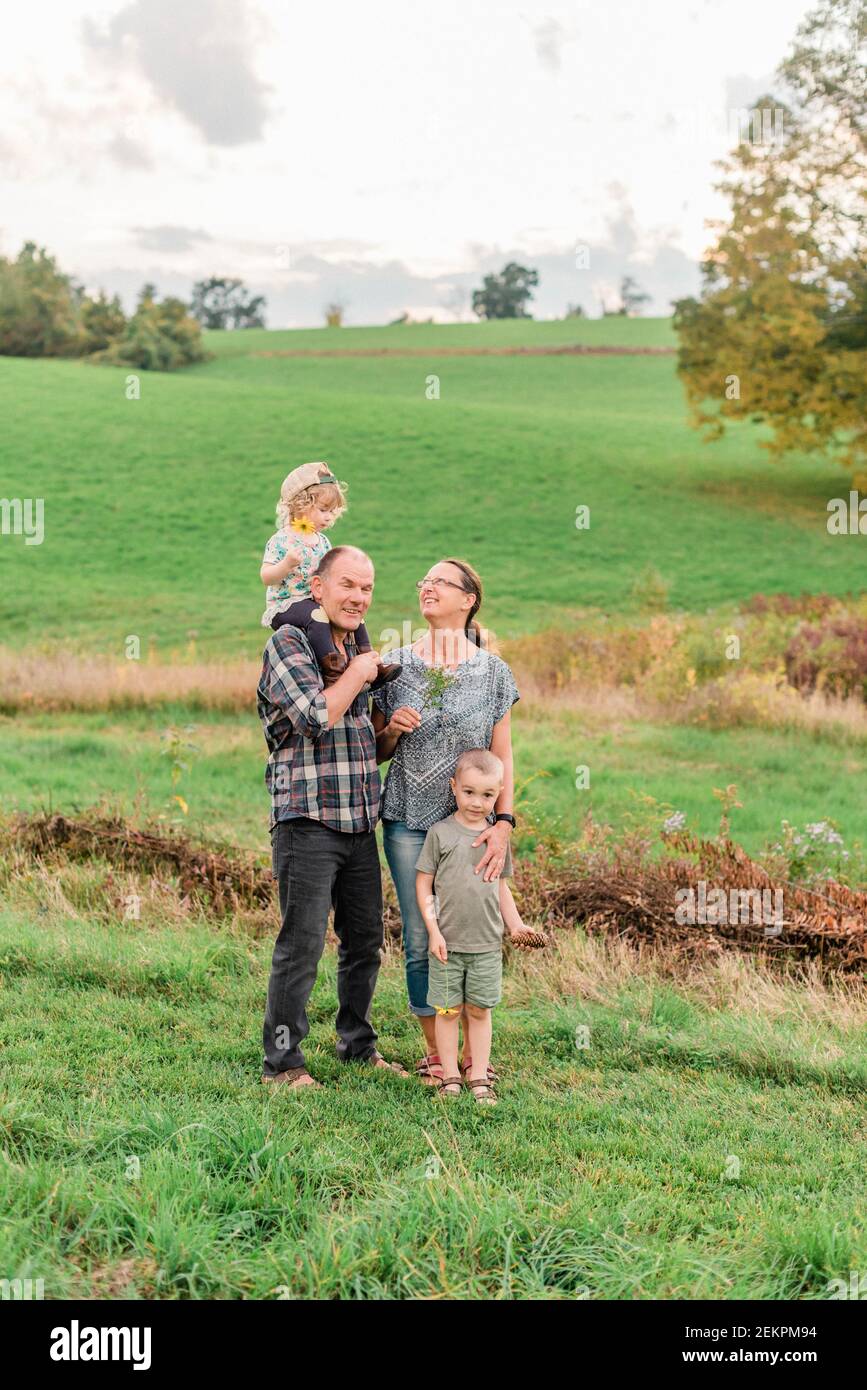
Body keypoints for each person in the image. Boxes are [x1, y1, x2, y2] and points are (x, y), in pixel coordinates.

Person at [371, 557, 527, 1087]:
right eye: (425, 581)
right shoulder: (393, 667)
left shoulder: (494, 673)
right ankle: (437, 1055)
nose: (428, 588)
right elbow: (377, 751)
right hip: (409, 820)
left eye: (440, 582)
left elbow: (502, 754)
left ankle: (473, 1055)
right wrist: (392, 730)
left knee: (474, 933)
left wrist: (503, 823)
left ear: (468, 599)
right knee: (422, 936)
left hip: (474, 828)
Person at [257, 544, 407, 1089]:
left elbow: (361, 744)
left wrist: (392, 733)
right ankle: (282, 1064)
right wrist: (363, 671)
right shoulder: (289, 642)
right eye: (348, 584)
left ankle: (357, 1047)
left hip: (360, 821)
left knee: (365, 942)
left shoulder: (352, 651)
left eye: (367, 588)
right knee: (301, 946)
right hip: (307, 820)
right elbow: (314, 716)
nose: (359, 597)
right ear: (317, 588)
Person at [416, 749, 512, 1105]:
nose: (477, 802)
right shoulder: (440, 834)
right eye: (469, 792)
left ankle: (479, 1076)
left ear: (498, 794)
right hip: (447, 946)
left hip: (486, 945)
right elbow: (424, 883)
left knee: (480, 1010)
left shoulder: (497, 838)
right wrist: (433, 930)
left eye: (487, 795)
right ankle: (450, 1076)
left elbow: (502, 888)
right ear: (454, 786)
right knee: (447, 1011)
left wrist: (516, 926)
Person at [259, 461, 400, 690]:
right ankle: (333, 671)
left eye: (332, 512)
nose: (328, 517)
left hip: (316, 600)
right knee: (318, 616)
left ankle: (372, 663)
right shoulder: (282, 540)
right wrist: (286, 564)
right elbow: (266, 577)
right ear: (300, 505)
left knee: (355, 616)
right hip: (287, 604)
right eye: (323, 510)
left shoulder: (322, 541)